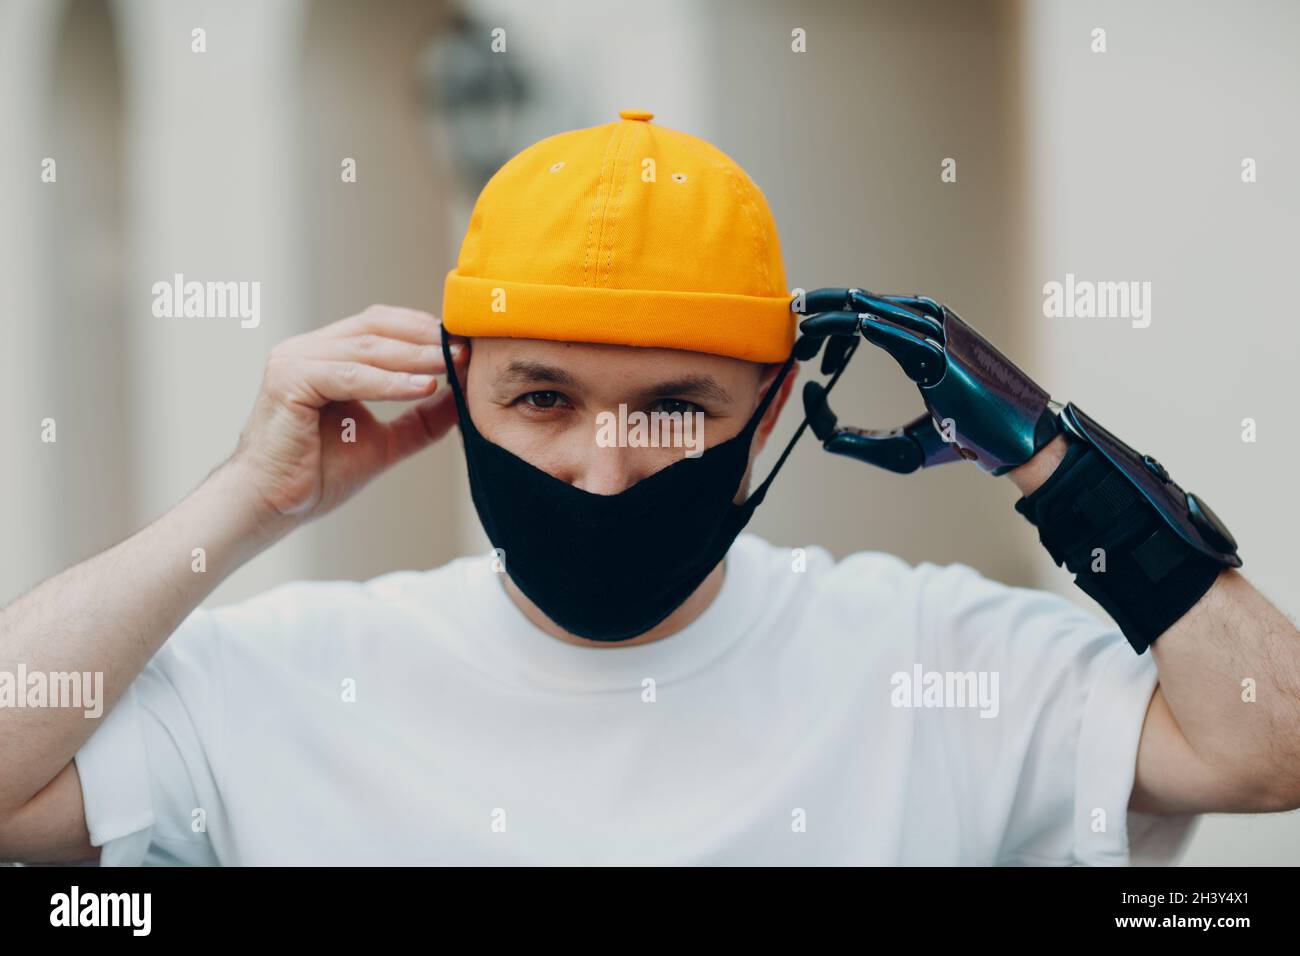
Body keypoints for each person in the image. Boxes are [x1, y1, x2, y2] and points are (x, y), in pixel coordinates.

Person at [1, 110, 1296, 866]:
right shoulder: (281, 679)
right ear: (455, 390)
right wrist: (248, 498)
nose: (603, 469)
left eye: (676, 408)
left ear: (772, 412)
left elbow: (1266, 748)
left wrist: (1056, 461)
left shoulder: (938, 660)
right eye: (542, 398)